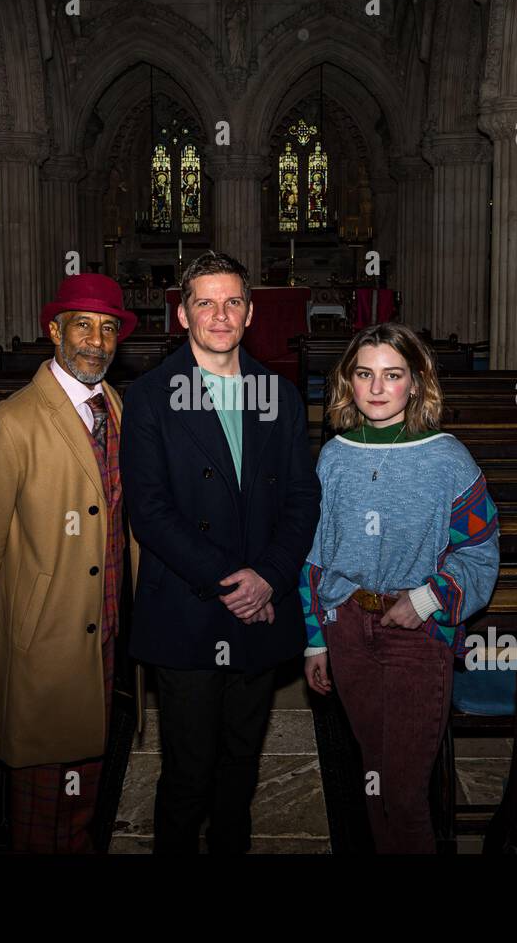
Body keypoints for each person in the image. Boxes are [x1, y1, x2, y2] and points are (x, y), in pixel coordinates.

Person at [120, 251, 321, 854]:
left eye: (232, 301)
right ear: (182, 314)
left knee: (240, 766)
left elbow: (303, 499)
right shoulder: (153, 397)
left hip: (262, 608)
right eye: (204, 302)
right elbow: (149, 513)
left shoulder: (278, 395)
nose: (219, 315)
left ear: (251, 312)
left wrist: (271, 577)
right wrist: (236, 581)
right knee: (187, 771)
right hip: (189, 607)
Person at [0, 272, 140, 853]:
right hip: (45, 636)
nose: (96, 341)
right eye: (82, 325)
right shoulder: (12, 422)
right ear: (54, 330)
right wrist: (18, 616)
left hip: (106, 630)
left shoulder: (117, 408)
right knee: (41, 802)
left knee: (85, 788)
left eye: (108, 329)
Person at [300, 322, 499, 853]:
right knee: (374, 773)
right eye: (365, 374)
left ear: (417, 382)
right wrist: (316, 635)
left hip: (415, 631)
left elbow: (479, 551)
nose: (378, 388)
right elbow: (316, 556)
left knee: (406, 793)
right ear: (349, 381)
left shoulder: (446, 458)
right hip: (347, 629)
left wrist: (429, 598)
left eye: (393, 375)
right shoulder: (335, 455)